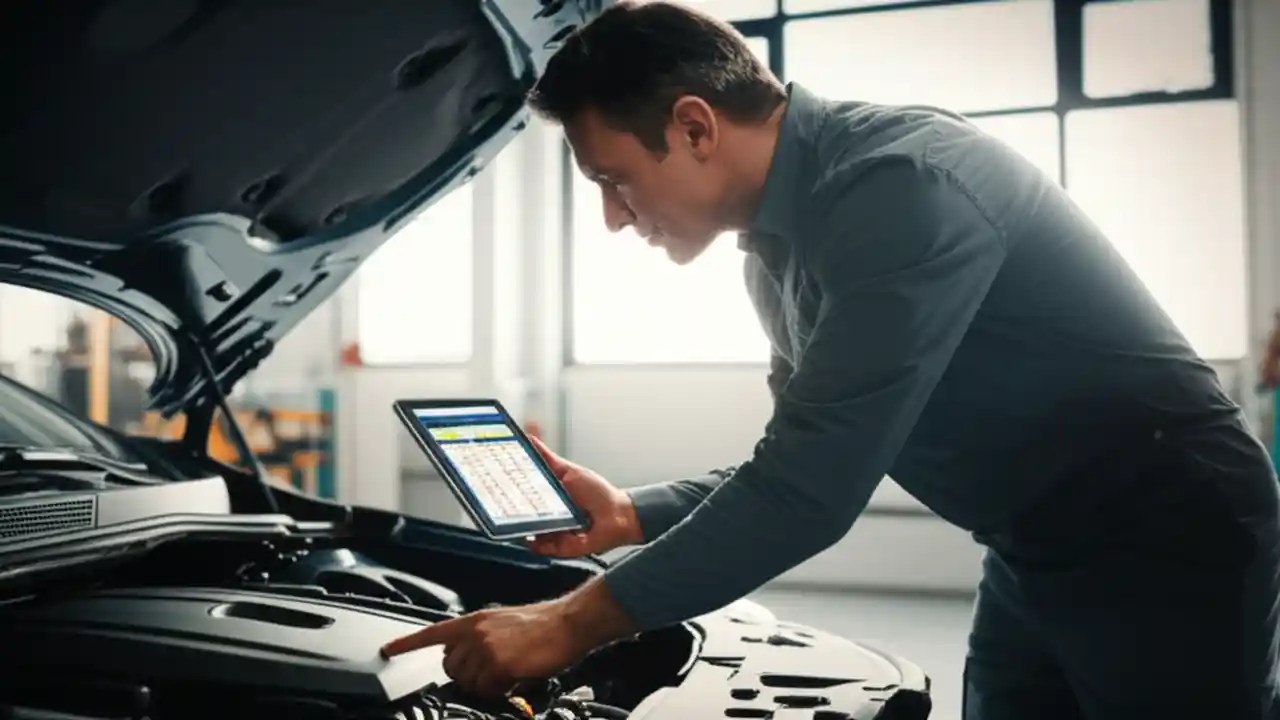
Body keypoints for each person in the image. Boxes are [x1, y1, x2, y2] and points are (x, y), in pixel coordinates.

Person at [382, 2, 1280, 716]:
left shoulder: (903, 188)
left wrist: (571, 623)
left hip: (1169, 535)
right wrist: (629, 514)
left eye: (613, 179)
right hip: (1033, 547)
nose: (615, 216)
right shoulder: (775, 253)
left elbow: (809, 493)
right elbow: (802, 458)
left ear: (695, 128)